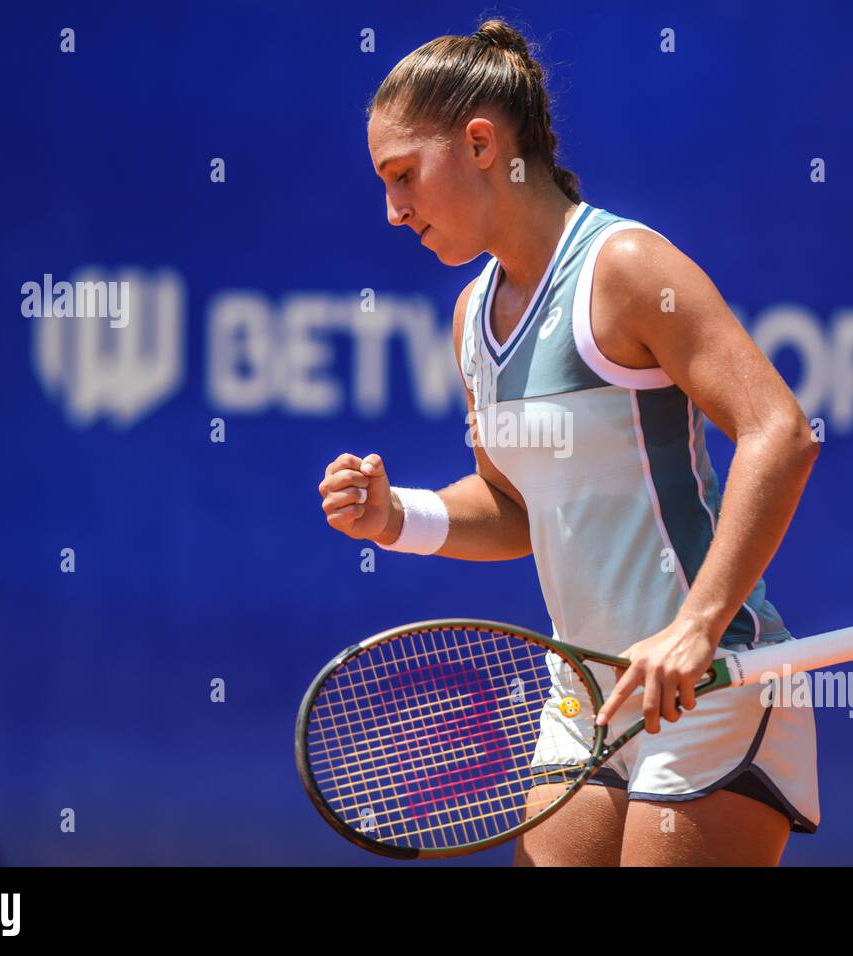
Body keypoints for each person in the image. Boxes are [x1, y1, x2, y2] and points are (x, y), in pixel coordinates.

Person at [318, 19, 821, 866]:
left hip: (713, 686)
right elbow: (517, 510)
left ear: (481, 143)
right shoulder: (471, 320)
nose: (393, 210)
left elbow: (781, 431)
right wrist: (394, 516)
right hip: (584, 700)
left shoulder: (626, 267)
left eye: (404, 176)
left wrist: (696, 628)